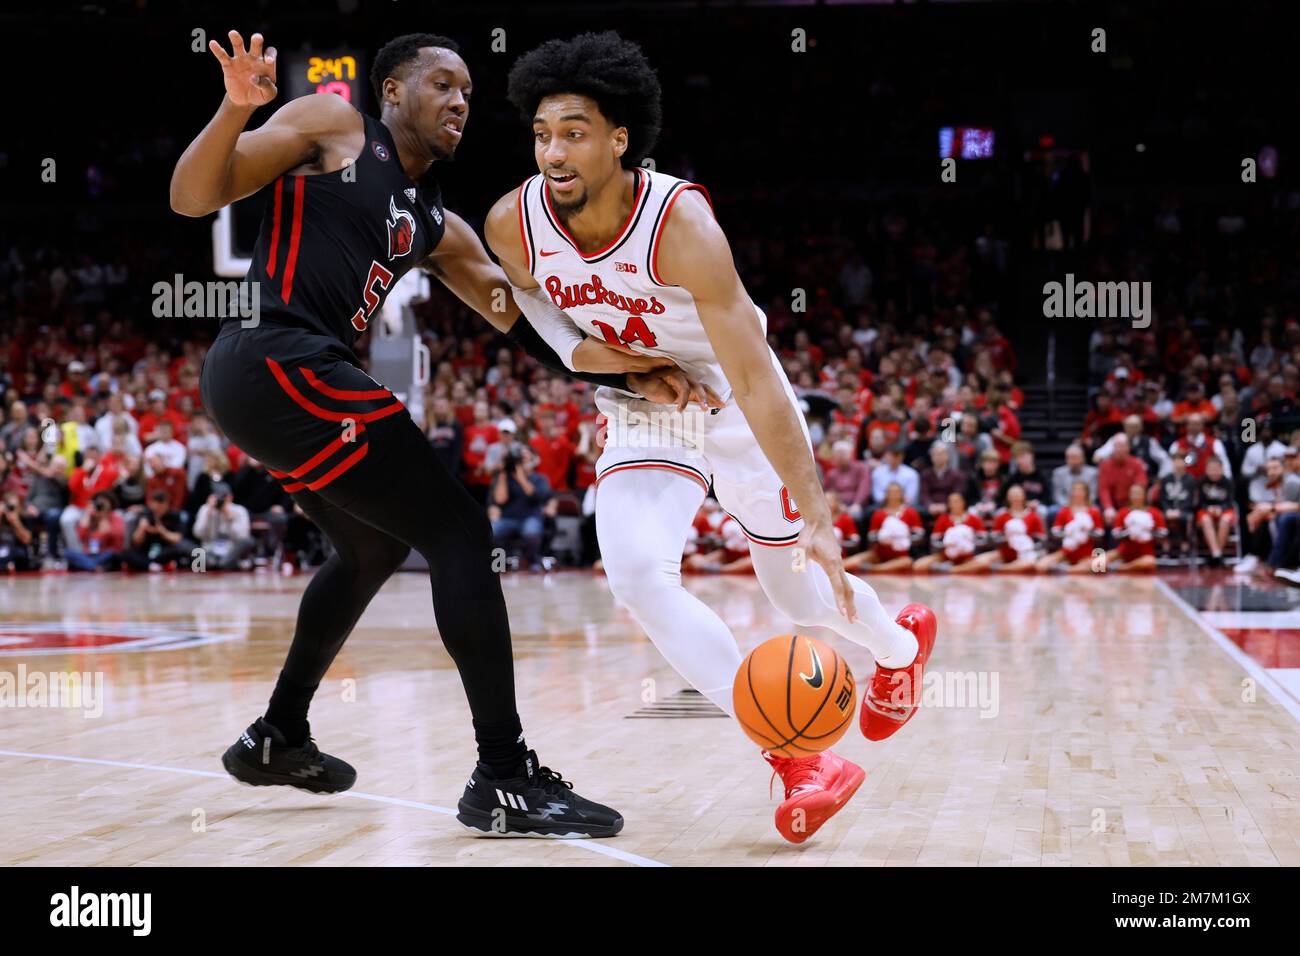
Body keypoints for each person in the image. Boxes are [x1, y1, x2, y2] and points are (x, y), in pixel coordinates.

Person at [173, 31, 694, 836]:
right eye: (442, 84)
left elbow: (515, 312)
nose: (459, 102)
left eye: (468, 93)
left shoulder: (434, 223)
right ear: (391, 91)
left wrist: (622, 371)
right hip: (273, 353)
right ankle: (505, 776)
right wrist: (236, 110)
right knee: (458, 528)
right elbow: (192, 196)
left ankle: (277, 736)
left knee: (374, 549)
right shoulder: (333, 125)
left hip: (280, 382)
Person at [486, 31, 935, 844]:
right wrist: (617, 367)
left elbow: (760, 380)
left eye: (576, 132)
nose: (554, 149)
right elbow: (536, 322)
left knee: (797, 592)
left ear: (620, 140)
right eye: (543, 132)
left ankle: (898, 649)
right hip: (644, 411)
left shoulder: (681, 224)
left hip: (732, 400)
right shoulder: (512, 225)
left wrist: (823, 520)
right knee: (634, 576)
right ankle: (799, 762)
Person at [845, 481, 920, 572]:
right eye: (891, 492)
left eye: (896, 492)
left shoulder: (910, 512)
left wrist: (904, 538)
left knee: (907, 562)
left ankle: (874, 569)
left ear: (902, 494)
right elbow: (871, 537)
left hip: (901, 555)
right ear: (886, 495)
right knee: (858, 559)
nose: (894, 495)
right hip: (879, 553)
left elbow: (919, 536)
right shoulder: (879, 513)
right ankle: (837, 567)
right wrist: (882, 537)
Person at [1037, 481, 1104, 573]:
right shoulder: (1065, 511)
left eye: (1080, 490)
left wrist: (1085, 533)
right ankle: (1066, 568)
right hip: (1067, 552)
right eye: (1075, 490)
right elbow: (1055, 532)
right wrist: (1069, 532)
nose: (1077, 493)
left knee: (1098, 565)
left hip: (1087, 552)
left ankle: (1066, 570)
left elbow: (1100, 534)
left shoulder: (1093, 511)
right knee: (1041, 565)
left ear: (1086, 493)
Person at [914, 491, 986, 572]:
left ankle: (954, 569)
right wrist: (947, 544)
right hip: (946, 555)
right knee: (919, 565)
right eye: (951, 502)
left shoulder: (974, 519)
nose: (954, 504)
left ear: (963, 502)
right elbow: (934, 541)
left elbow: (983, 540)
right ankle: (955, 568)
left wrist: (968, 544)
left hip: (968, 556)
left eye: (957, 501)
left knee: (983, 564)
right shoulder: (943, 518)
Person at [121, 490, 192, 571]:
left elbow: (177, 538)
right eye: (155, 505)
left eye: (161, 505)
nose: (158, 509)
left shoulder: (174, 516)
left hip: (164, 551)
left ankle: (150, 565)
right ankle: (153, 565)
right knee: (126, 554)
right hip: (146, 552)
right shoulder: (144, 515)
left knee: (180, 549)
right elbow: (136, 541)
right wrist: (142, 528)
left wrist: (162, 531)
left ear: (167, 505)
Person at [1105, 483, 1165, 572]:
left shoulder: (1154, 512)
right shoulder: (1123, 512)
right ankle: (1125, 566)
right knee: (1099, 561)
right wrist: (1130, 533)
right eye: (1134, 493)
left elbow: (1163, 534)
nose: (1136, 496)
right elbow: (1116, 535)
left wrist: (1147, 533)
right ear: (1129, 495)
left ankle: (1123, 567)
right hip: (1124, 551)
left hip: (1145, 552)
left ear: (1144, 495)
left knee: (1150, 562)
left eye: (1139, 493)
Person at [66, 491, 125, 572]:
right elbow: (81, 537)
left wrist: (103, 518)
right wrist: (88, 514)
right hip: (90, 554)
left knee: (112, 554)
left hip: (106, 554)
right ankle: (94, 566)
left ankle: (89, 565)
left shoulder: (115, 517)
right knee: (68, 552)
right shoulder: (90, 518)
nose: (100, 506)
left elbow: (113, 536)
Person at [1195, 455, 1236, 567]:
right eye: (1211, 469)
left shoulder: (1228, 482)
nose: (1214, 472)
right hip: (1206, 510)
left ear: (1222, 469)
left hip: (1224, 509)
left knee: (1225, 520)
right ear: (1206, 470)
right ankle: (1216, 553)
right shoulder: (1201, 482)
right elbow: (1198, 503)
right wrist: (1209, 509)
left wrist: (1220, 509)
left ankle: (1216, 554)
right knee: (1205, 519)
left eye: (1217, 469)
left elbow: (1230, 501)